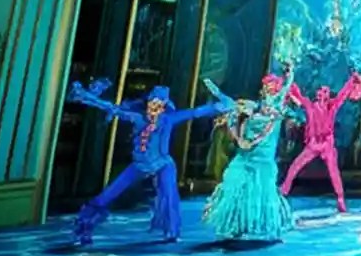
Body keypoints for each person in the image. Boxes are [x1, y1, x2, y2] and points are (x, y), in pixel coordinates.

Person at [66, 77, 231, 245]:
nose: (154, 108)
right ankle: (84, 228)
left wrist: (220, 104)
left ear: (164, 107)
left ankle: (172, 232)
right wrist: (86, 97)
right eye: (152, 103)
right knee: (109, 194)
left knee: (169, 194)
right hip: (140, 164)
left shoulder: (168, 119)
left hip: (162, 163)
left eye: (159, 105)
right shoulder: (137, 118)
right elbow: (112, 108)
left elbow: (195, 112)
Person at [203, 65, 296, 242]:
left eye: (273, 89)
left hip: (263, 161)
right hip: (245, 157)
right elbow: (231, 107)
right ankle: (235, 226)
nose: (270, 93)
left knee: (259, 194)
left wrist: (289, 75)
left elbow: (285, 90)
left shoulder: (276, 111)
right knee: (235, 187)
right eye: (267, 89)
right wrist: (215, 91)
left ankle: (258, 227)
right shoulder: (252, 109)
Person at [280, 69, 361, 213]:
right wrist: (288, 78)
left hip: (326, 144)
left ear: (328, 94)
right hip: (313, 144)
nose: (321, 93)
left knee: (333, 171)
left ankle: (340, 198)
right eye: (320, 91)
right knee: (296, 165)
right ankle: (285, 189)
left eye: (324, 91)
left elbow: (343, 95)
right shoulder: (309, 105)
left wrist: (351, 81)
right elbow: (296, 93)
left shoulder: (332, 106)